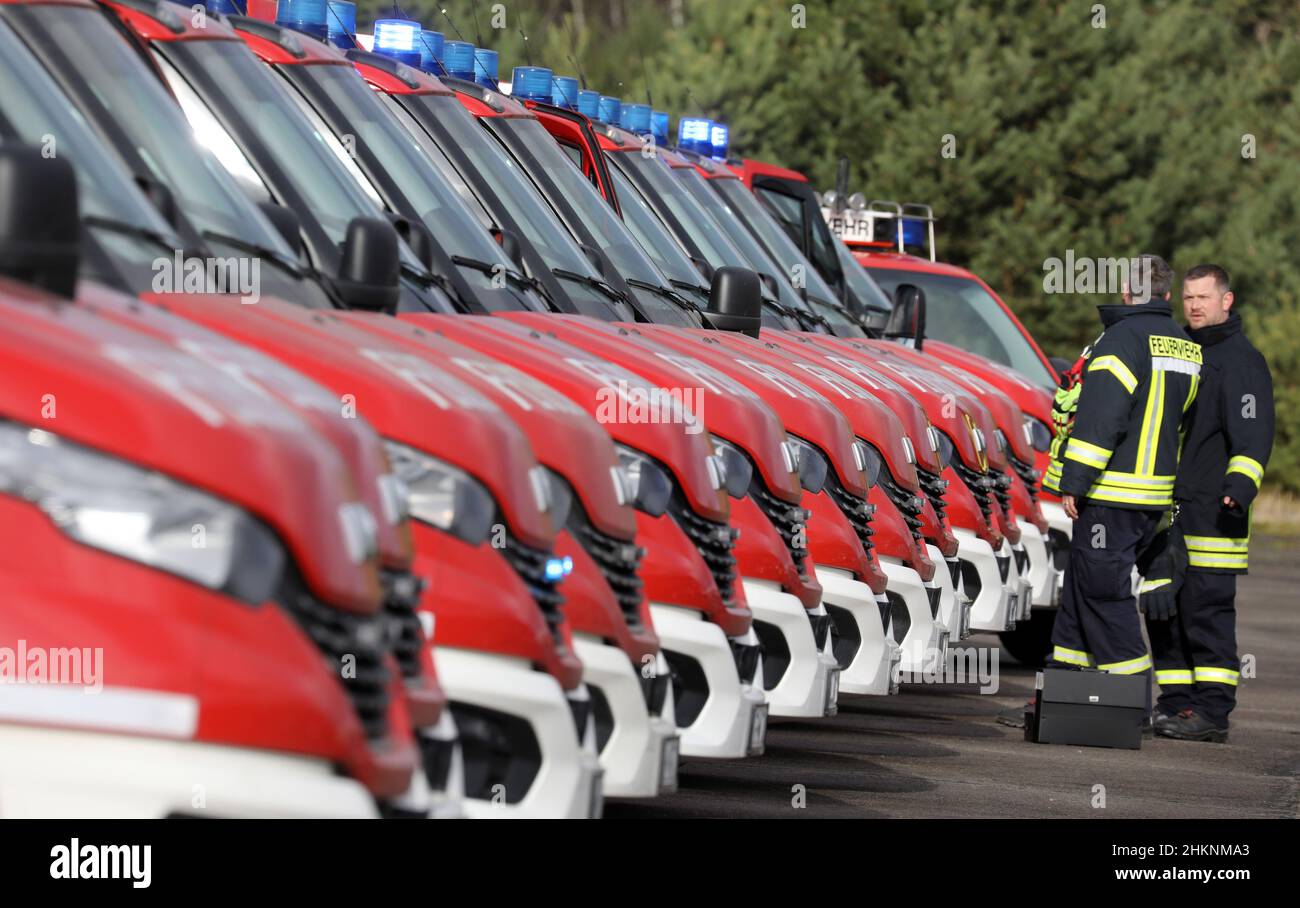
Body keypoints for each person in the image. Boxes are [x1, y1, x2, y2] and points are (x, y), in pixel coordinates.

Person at [1047, 254, 1199, 699]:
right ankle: (1062, 693)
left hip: (1111, 495)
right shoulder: (1187, 346)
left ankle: (1130, 697)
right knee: (1080, 589)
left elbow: (1101, 422)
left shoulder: (1119, 341)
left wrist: (1075, 481)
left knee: (1102, 593)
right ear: (1167, 294)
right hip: (1152, 498)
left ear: (1127, 291)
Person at [1142, 264, 1273, 743]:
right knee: (1164, 610)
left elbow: (1254, 435)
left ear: (1226, 300)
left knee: (1206, 615)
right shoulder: (1183, 351)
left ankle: (1212, 712)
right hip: (1172, 508)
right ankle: (1176, 704)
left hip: (1216, 513)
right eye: (1189, 297)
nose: (1195, 306)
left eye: (1204, 297)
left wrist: (1238, 489)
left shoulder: (1243, 361)